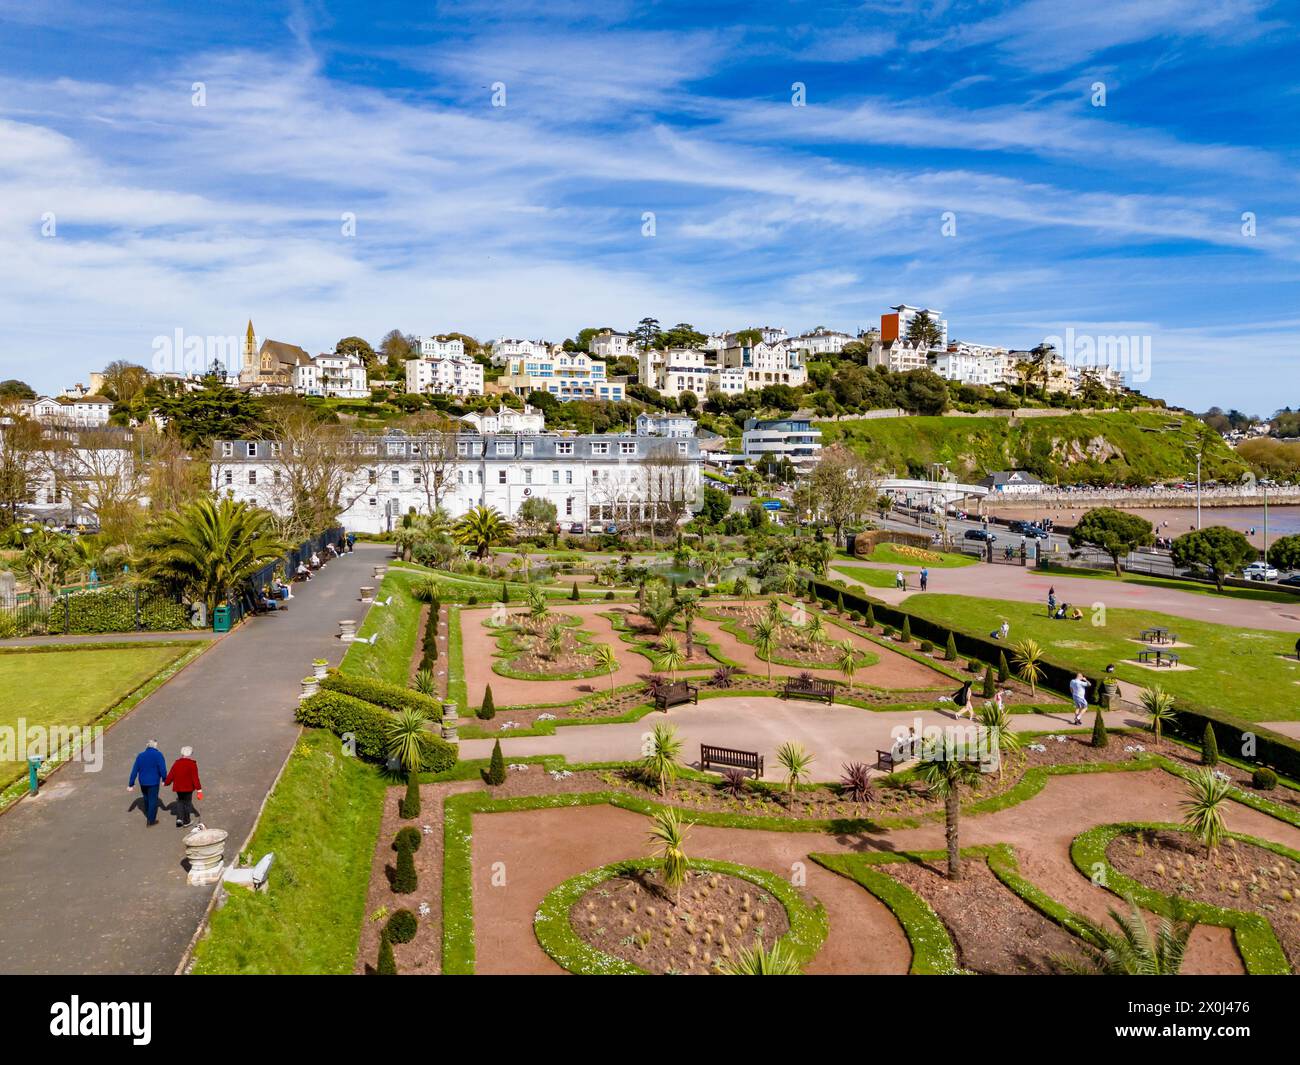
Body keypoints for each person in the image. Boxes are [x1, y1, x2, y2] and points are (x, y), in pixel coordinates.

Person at [127, 740, 168, 826]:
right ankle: (151, 820)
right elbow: (162, 769)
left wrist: (131, 784)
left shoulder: (140, 756)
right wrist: (164, 779)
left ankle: (148, 812)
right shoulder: (158, 755)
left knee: (146, 797)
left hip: (143, 782)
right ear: (155, 746)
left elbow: (134, 770)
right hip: (153, 782)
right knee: (153, 800)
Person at [165, 746, 202, 828]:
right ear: (190, 754)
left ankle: (179, 819)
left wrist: (166, 783)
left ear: (182, 753)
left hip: (178, 787)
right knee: (187, 803)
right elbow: (195, 778)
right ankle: (186, 821)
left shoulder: (176, 763)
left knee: (180, 802)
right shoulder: (192, 764)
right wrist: (199, 790)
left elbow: (171, 775)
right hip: (188, 788)